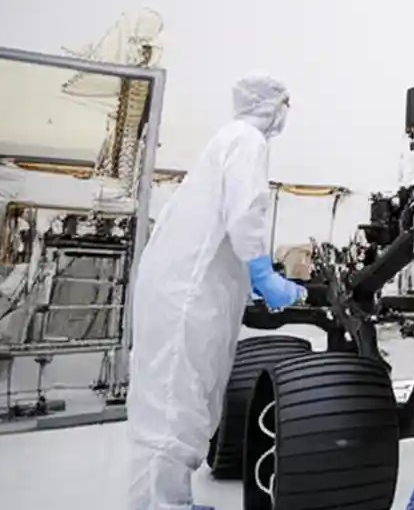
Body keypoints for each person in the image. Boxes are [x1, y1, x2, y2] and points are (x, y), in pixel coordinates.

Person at [126, 74, 305, 510]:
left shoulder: (228, 139)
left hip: (185, 290)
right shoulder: (247, 141)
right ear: (272, 105)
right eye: (285, 104)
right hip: (188, 295)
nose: (286, 114)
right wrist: (264, 273)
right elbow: (245, 212)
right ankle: (162, 505)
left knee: (180, 399)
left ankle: (169, 500)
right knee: (174, 404)